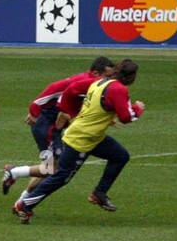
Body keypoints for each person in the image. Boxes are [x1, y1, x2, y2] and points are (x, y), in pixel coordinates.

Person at [13, 60, 145, 224]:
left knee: (120, 156)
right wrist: (138, 108)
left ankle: (99, 193)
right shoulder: (119, 89)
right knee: (61, 177)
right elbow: (126, 117)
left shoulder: (102, 82)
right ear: (131, 76)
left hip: (91, 135)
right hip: (82, 138)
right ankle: (24, 205)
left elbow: (74, 92)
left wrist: (67, 110)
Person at [1, 56, 114, 196]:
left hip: (53, 129)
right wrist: (35, 113)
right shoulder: (84, 82)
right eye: (108, 76)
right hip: (47, 128)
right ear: (96, 73)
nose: (111, 80)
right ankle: (14, 173)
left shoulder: (94, 84)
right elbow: (53, 90)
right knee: (52, 168)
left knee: (50, 168)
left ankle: (22, 199)